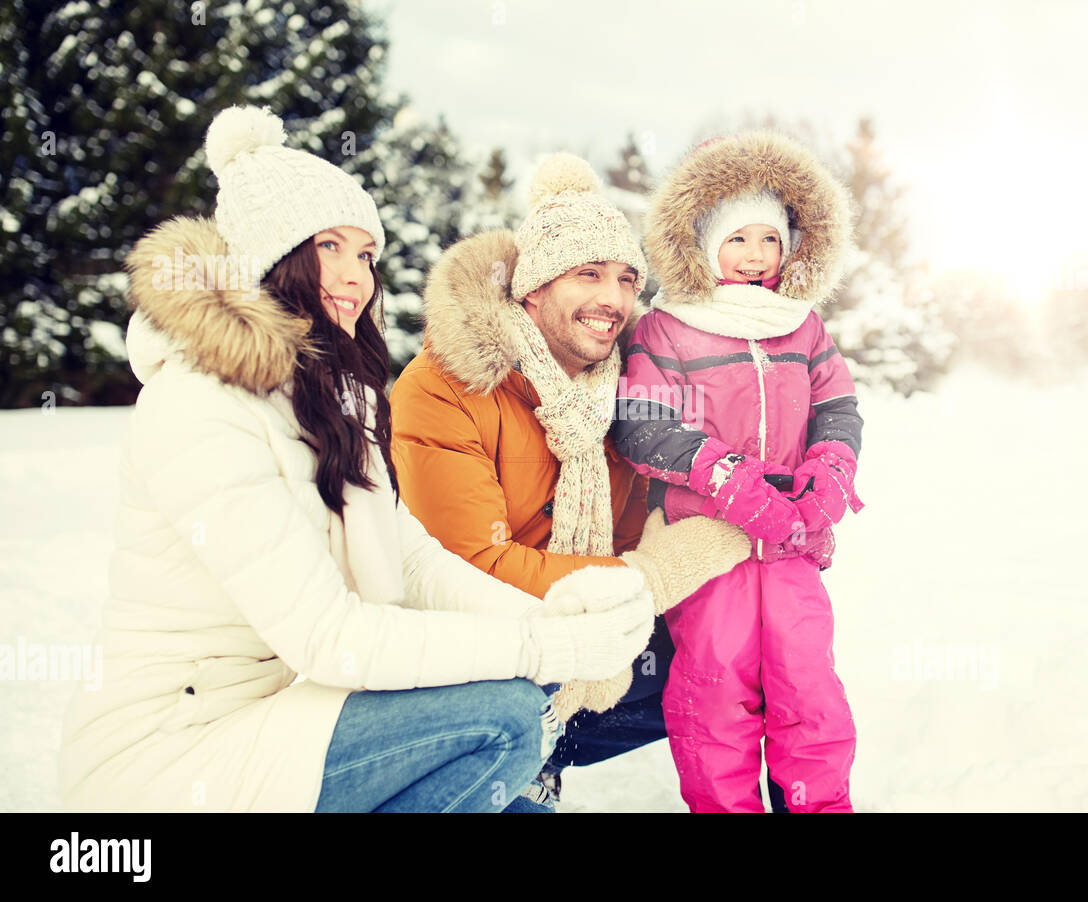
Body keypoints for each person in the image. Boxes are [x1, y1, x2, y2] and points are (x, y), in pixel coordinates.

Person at [57, 105, 654, 813]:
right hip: (175, 756)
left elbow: (413, 565)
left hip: (299, 722)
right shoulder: (196, 409)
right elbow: (328, 636)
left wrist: (559, 614)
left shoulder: (335, 404)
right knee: (506, 716)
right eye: (329, 247)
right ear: (267, 257)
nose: (354, 276)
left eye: (366, 254)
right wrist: (538, 651)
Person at [389, 153, 750, 811]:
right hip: (474, 649)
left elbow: (662, 510)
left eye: (625, 279)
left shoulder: (628, 389)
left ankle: (546, 748)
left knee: (730, 637)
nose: (612, 301)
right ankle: (501, 752)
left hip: (575, 625)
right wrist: (646, 578)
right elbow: (466, 569)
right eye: (588, 275)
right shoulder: (445, 385)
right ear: (533, 288)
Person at [611, 131, 866, 812]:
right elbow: (641, 422)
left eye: (770, 241)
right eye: (739, 240)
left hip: (789, 542)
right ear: (704, 244)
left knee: (807, 681)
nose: (757, 256)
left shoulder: (802, 327)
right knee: (714, 689)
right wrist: (722, 476)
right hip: (709, 547)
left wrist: (830, 471)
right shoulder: (669, 328)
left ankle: (816, 803)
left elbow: (838, 409)